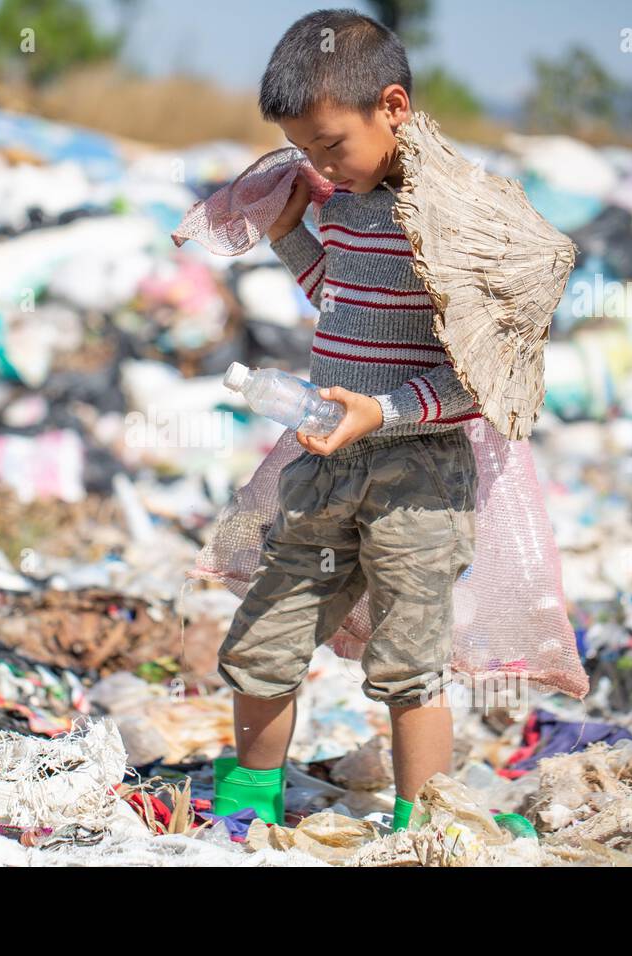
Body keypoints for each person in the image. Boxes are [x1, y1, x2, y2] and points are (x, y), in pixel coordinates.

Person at [212, 8, 481, 832]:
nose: (322, 165)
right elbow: (344, 303)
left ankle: (421, 820)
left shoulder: (454, 218)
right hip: (327, 463)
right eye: (307, 151)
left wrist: (386, 412)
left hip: (419, 479)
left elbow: (485, 377)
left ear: (393, 107)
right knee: (264, 638)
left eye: (333, 146)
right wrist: (294, 234)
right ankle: (250, 796)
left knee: (410, 664)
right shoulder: (350, 203)